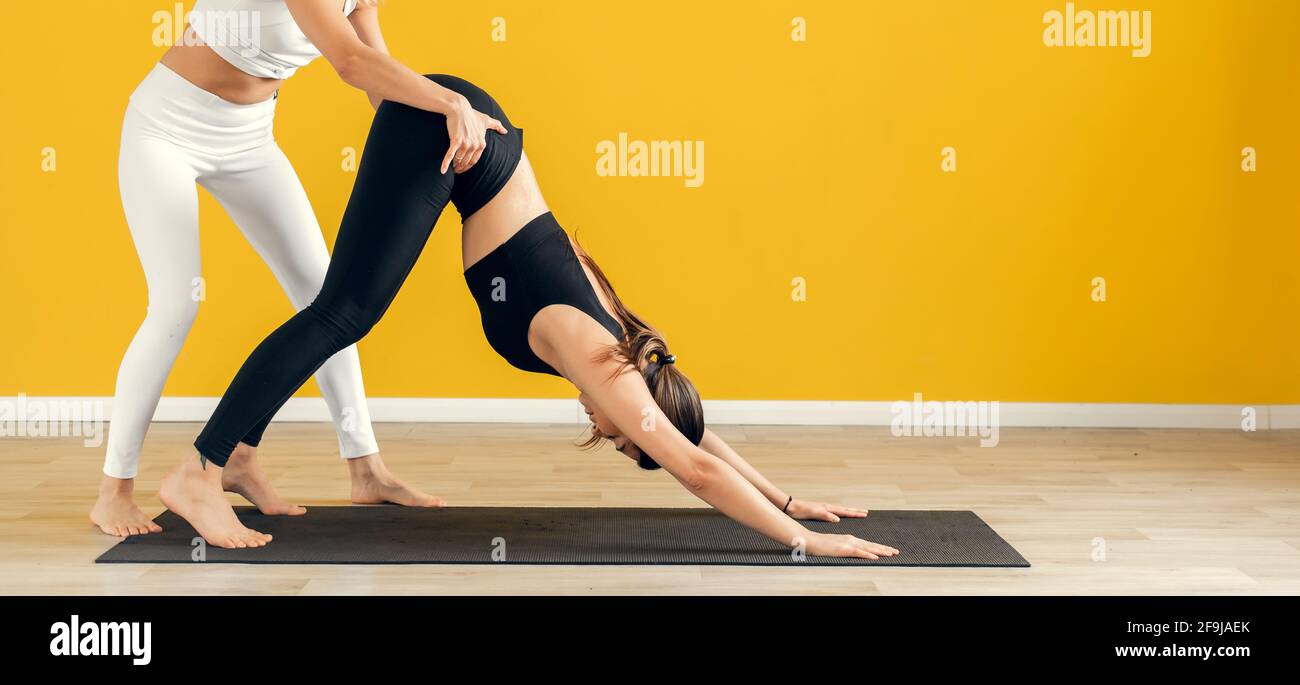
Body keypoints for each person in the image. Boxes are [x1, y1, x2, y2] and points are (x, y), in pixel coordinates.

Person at [158, 75, 900, 561]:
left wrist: (791, 496)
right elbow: (697, 468)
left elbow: (697, 437)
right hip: (460, 143)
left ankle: (249, 457)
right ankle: (202, 466)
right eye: (622, 439)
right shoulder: (605, 363)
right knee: (342, 312)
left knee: (345, 308)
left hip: (470, 137)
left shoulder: (637, 353)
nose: (607, 431)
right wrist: (801, 541)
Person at [94, 0, 507, 538]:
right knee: (174, 304)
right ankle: (115, 490)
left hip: (248, 139)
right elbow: (347, 62)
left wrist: (447, 132)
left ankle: (361, 469)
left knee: (331, 296)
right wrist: (449, 103)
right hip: (165, 129)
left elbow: (378, 79)